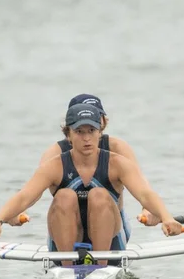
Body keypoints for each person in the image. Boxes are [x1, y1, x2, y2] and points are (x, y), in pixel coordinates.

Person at [0, 103, 182, 264]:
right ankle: (68, 268)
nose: (86, 138)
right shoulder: (54, 166)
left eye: (91, 130)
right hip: (64, 243)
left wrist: (166, 218)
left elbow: (145, 194)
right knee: (64, 196)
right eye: (79, 132)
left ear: (100, 132)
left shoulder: (117, 164)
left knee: (99, 195)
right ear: (68, 134)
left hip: (110, 244)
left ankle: (100, 266)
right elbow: (25, 196)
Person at [39, 94, 161, 226]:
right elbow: (34, 190)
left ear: (103, 119)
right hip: (68, 224)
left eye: (97, 114)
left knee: (100, 198)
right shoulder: (55, 152)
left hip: (111, 223)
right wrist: (22, 210)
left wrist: (148, 209)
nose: (89, 119)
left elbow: (142, 185)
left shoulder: (118, 147)